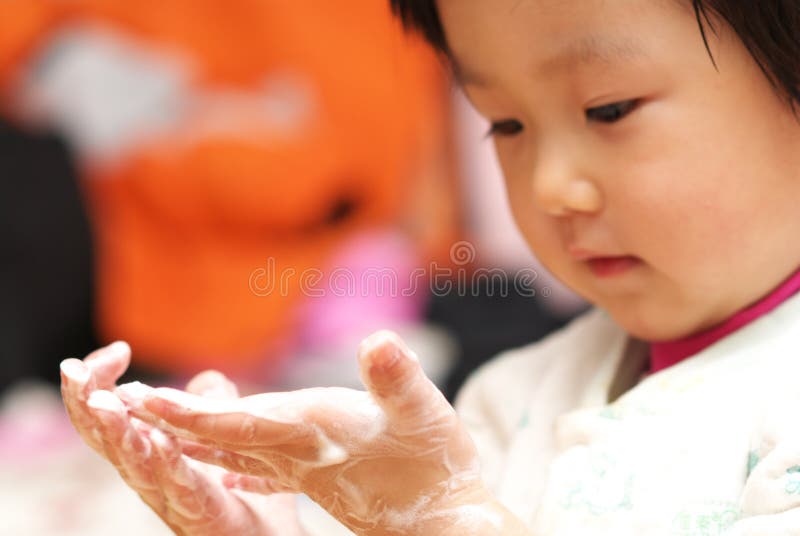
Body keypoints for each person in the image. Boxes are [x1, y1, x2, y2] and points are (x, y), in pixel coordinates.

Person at [60, 1, 800, 534]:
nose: (546, 184)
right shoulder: (512, 398)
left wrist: (450, 524)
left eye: (608, 110)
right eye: (505, 123)